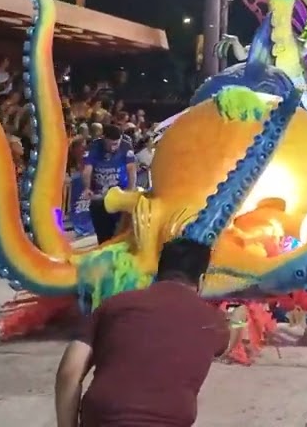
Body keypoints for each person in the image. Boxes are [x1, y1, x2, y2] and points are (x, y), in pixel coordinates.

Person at [54, 238, 235, 427]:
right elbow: (227, 345)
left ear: (159, 271)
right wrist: (238, 320)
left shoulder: (114, 305)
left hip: (103, 418)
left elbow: (70, 371)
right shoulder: (212, 320)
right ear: (201, 280)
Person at [80, 124, 137, 244]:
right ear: (104, 138)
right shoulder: (94, 147)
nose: (114, 147)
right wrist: (87, 188)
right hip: (100, 197)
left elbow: (131, 169)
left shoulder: (126, 146)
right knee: (103, 236)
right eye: (111, 144)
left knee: (122, 234)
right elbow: (87, 170)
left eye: (117, 143)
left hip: (120, 196)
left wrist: (130, 190)